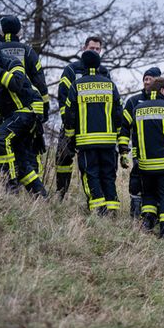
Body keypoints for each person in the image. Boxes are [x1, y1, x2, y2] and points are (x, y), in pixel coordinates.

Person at [0, 43, 48, 196]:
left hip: (29, 109)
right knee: (20, 161)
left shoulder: (12, 63)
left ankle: (9, 186)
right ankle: (41, 196)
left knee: (0, 139)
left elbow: (16, 85)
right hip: (12, 116)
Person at [62, 50, 122, 215]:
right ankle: (112, 209)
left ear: (83, 66)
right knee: (109, 175)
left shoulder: (77, 85)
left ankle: (98, 209)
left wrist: (70, 137)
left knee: (91, 175)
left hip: (86, 142)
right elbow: (118, 113)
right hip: (109, 142)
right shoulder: (110, 85)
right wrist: (118, 135)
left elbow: (70, 114)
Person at [130, 77, 164, 239]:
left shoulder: (138, 109)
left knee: (148, 195)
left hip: (145, 165)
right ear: (161, 90)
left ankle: (147, 225)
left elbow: (135, 136)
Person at [55, 35, 106, 197]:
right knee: (62, 159)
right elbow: (63, 99)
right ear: (84, 49)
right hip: (72, 125)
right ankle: (61, 193)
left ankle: (94, 200)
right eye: (92, 48)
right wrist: (68, 123)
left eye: (98, 49)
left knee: (91, 165)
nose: (95, 51)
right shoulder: (71, 70)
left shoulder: (104, 72)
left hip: (93, 129)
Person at [119, 66, 162, 219]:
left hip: (161, 155)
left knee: (158, 187)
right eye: (145, 79)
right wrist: (123, 151)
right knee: (137, 184)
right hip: (139, 153)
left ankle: (154, 219)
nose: (147, 82)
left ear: (158, 81)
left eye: (150, 79)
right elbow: (124, 127)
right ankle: (136, 217)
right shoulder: (133, 102)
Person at [0, 15, 49, 122]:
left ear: (2, 30)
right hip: (27, 107)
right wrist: (45, 106)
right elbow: (39, 81)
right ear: (19, 32)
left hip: (1, 108)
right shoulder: (28, 51)